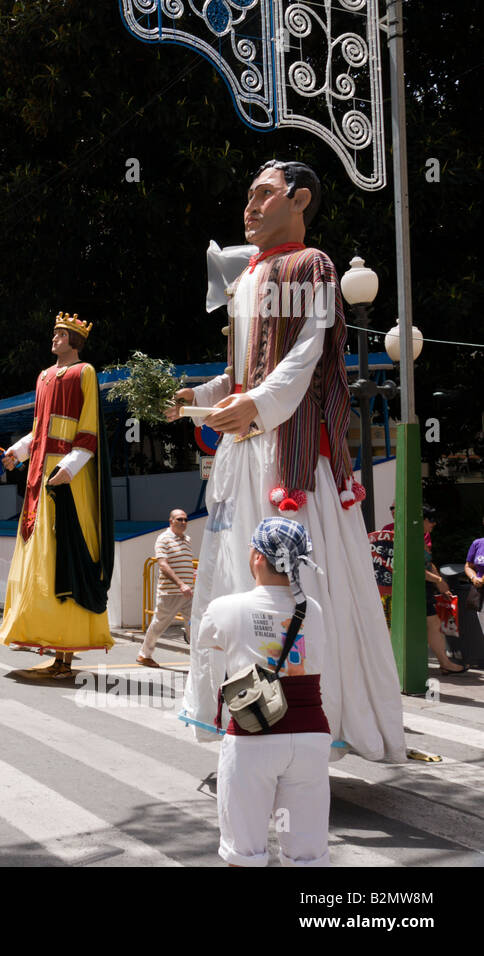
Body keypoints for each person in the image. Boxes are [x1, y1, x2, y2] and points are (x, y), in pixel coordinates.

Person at [170, 160, 404, 762]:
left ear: (300, 200)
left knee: (296, 584)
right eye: (247, 196)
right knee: (237, 579)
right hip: (246, 448)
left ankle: (309, 723)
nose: (249, 207)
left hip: (288, 457)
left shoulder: (312, 265)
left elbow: (301, 358)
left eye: (263, 195)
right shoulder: (244, 277)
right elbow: (241, 370)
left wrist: (256, 405)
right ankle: (247, 718)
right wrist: (198, 398)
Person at [198, 518, 331, 867]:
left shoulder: (227, 607)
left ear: (258, 556)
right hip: (310, 733)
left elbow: (206, 642)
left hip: (254, 731)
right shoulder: (313, 609)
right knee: (308, 851)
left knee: (244, 849)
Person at [0, 315, 114, 677]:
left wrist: (72, 466)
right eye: (54, 333)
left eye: (61, 334)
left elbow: (89, 427)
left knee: (65, 551)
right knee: (43, 558)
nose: (54, 338)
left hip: (65, 475)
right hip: (38, 478)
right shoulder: (44, 377)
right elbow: (39, 428)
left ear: (75, 340)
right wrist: (17, 452)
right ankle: (55, 647)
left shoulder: (85, 373)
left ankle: (66, 654)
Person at [138, 509, 196, 666]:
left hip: (188, 592)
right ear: (171, 521)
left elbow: (185, 563)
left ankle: (197, 658)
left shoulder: (187, 539)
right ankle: (144, 655)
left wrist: (190, 580)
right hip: (170, 592)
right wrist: (181, 584)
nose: (183, 522)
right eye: (179, 519)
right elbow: (163, 565)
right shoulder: (163, 539)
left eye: (185, 519)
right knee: (159, 624)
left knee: (195, 623)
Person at [422, 506, 467, 674]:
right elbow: (414, 567)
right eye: (431, 520)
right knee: (433, 624)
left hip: (425, 587)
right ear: (422, 520)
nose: (434, 524)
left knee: (432, 624)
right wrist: (439, 580)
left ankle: (444, 661)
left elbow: (428, 563)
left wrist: (438, 580)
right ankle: (444, 662)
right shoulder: (411, 538)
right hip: (417, 588)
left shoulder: (422, 537)